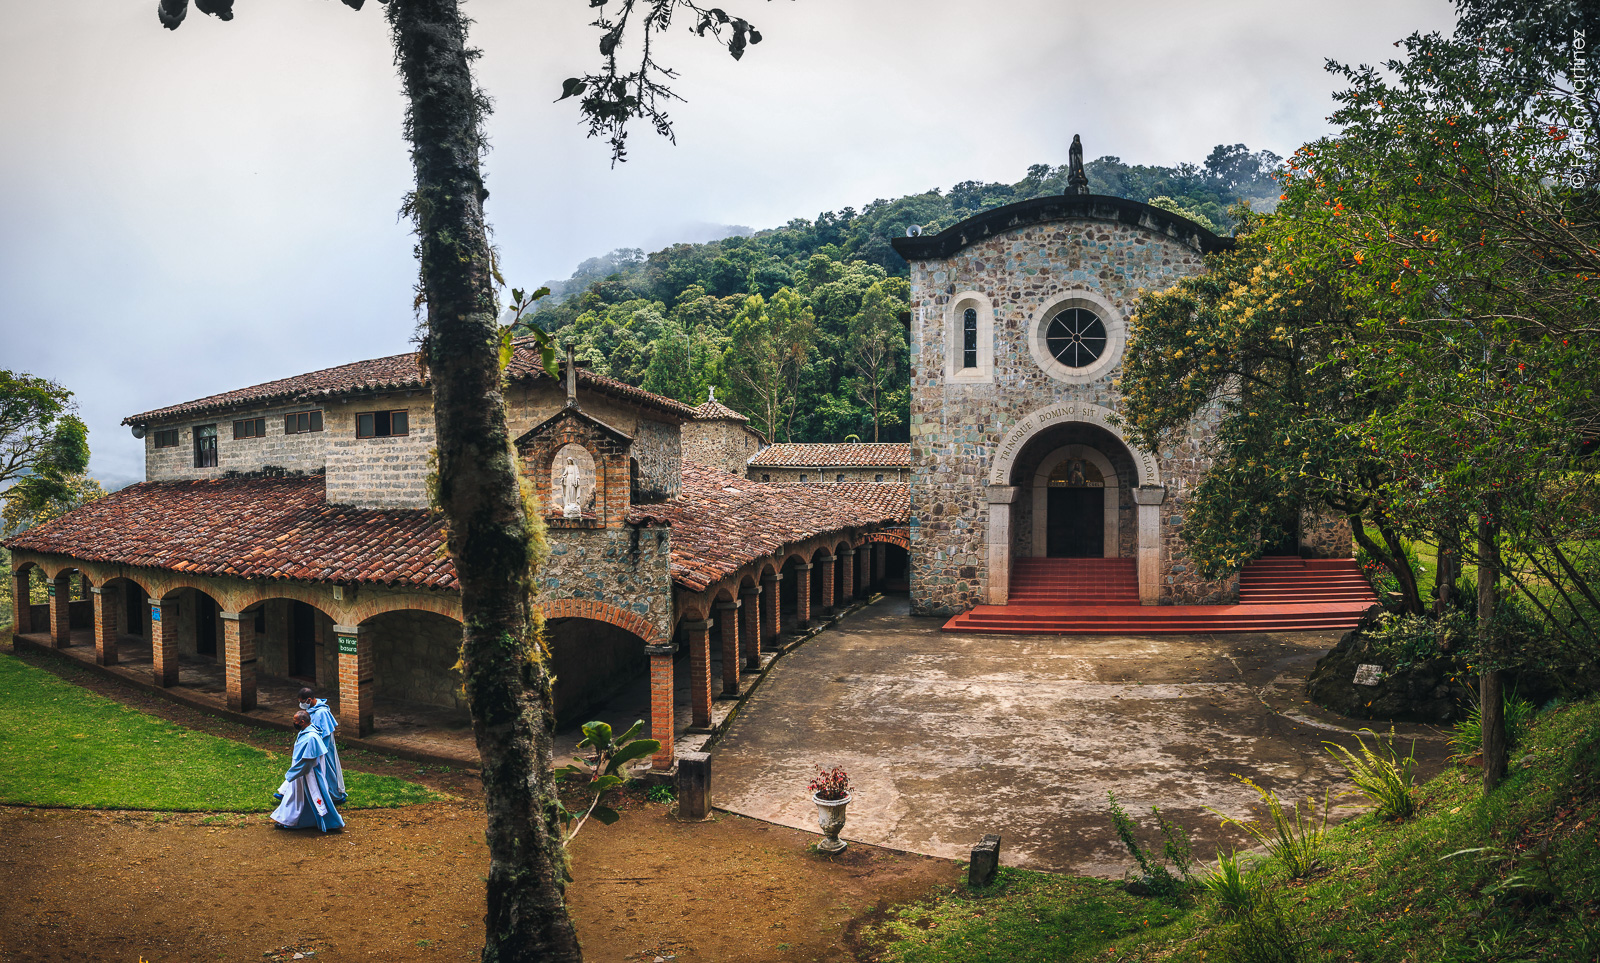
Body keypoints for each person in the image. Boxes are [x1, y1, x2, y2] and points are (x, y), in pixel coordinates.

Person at [270, 710, 345, 832]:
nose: (294, 723)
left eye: (295, 721)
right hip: (303, 773)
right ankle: (299, 821)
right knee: (300, 798)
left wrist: (291, 774)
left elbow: (308, 761)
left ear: (302, 722)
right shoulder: (307, 732)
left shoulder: (311, 737)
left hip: (308, 775)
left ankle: (292, 822)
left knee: (300, 797)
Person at [299, 687, 347, 804]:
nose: (301, 704)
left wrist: (320, 749)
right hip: (315, 746)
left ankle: (335, 795)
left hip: (324, 748)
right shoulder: (312, 710)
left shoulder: (322, 712)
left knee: (328, 770)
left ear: (309, 699)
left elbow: (326, 733)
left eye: (302, 702)